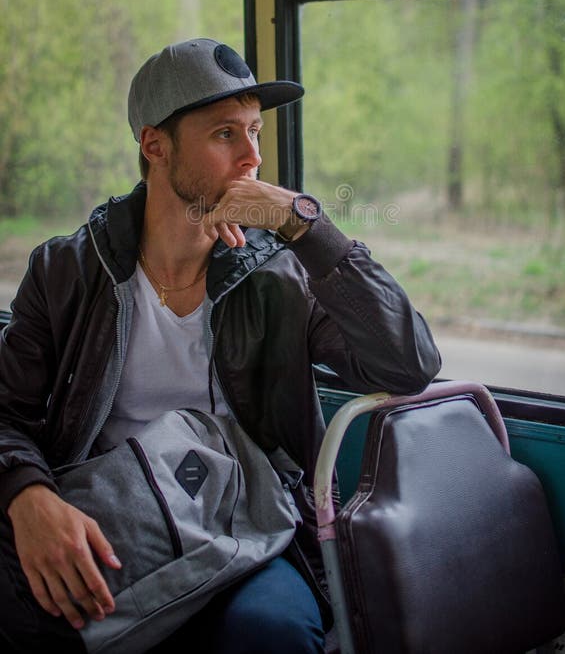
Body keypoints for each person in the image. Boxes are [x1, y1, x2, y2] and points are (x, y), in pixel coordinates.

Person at [0, 37, 441, 652]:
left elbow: (410, 363)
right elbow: (6, 415)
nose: (253, 158)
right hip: (107, 520)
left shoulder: (280, 277)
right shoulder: (67, 270)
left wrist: (305, 223)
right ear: (155, 146)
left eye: (256, 132)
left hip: (248, 524)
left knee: (272, 633)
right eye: (225, 135)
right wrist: (29, 497)